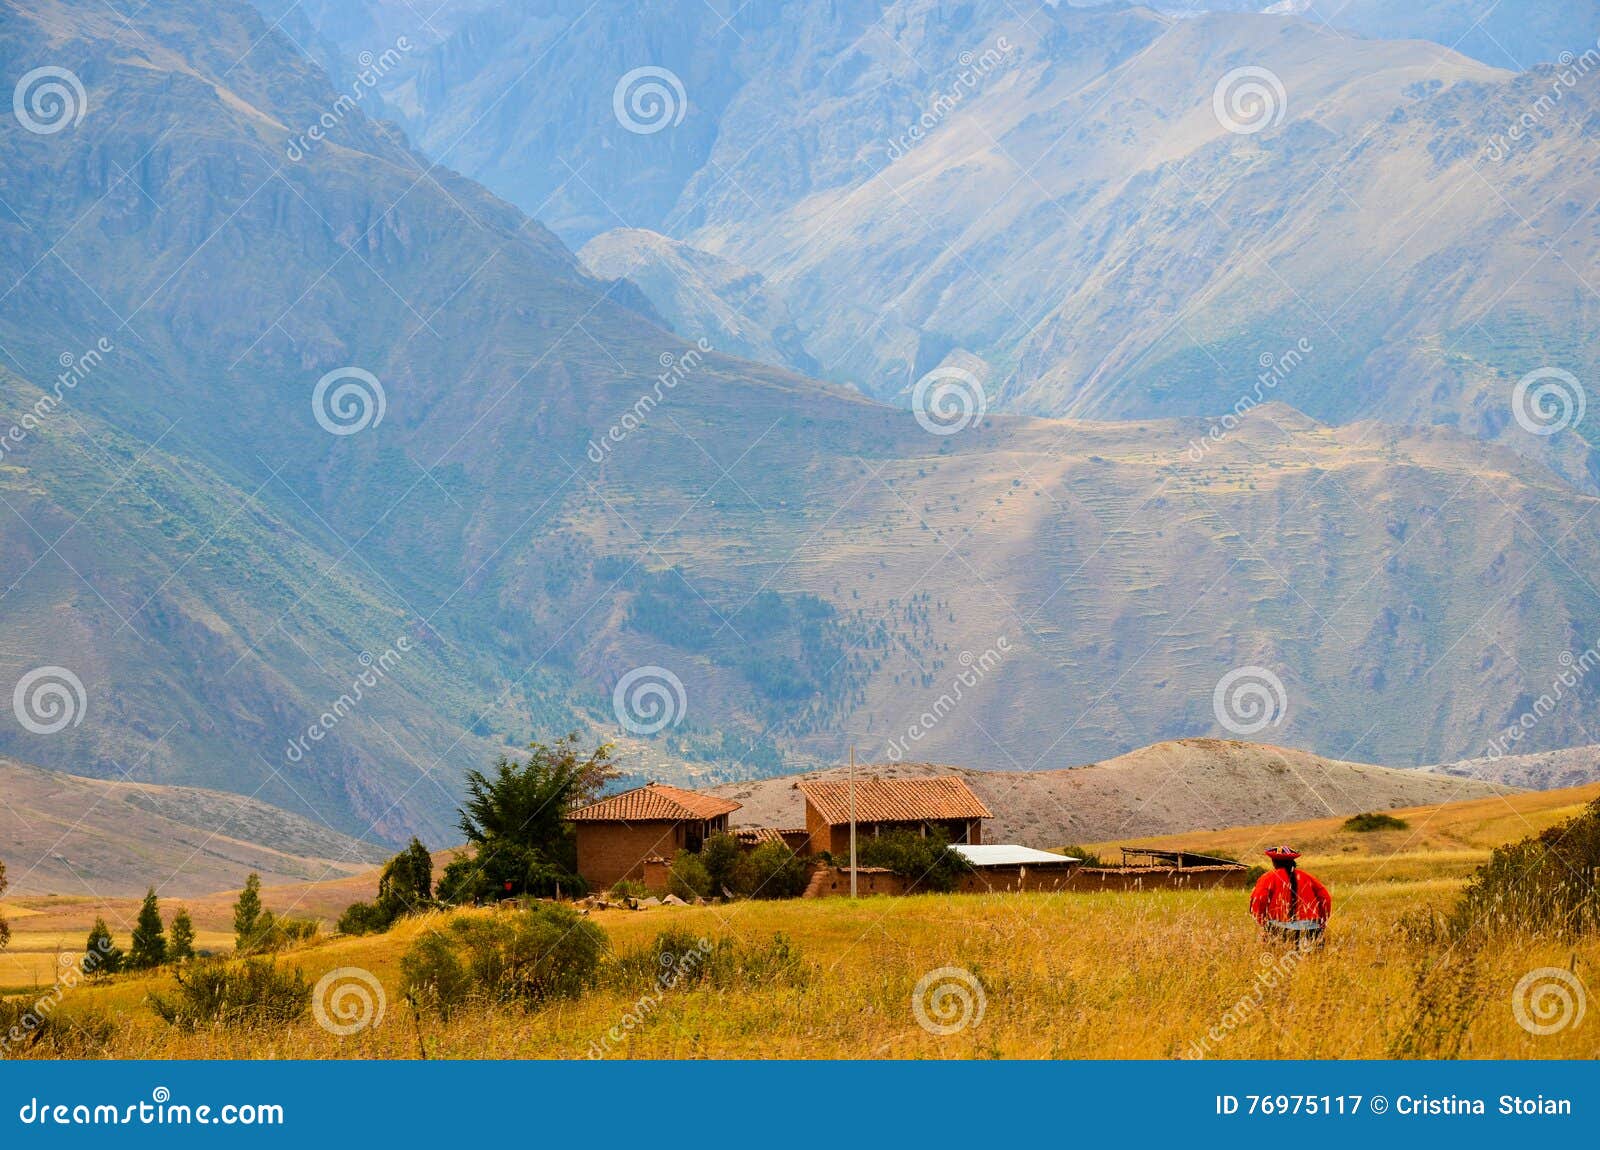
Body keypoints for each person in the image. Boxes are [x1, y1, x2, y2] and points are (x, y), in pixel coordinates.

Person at [1249, 845, 1331, 944]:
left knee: (1274, 951)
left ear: (1274, 862)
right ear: (1292, 861)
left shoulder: (1268, 877)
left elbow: (1258, 899)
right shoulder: (1308, 877)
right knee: (1313, 953)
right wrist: (1321, 922)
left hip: (1279, 929)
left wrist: (1262, 923)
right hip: (1311, 929)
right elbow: (1325, 898)